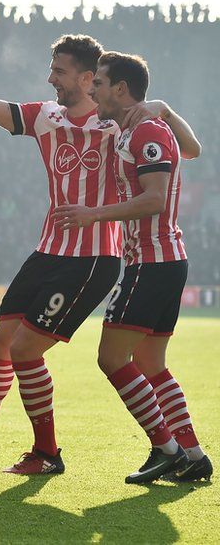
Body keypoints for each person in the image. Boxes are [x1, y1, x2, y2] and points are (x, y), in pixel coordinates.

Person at [0, 33, 201, 474]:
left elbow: (187, 148)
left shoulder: (119, 122)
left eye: (59, 71)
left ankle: (48, 453)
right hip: (48, 249)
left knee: (25, 350)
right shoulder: (45, 116)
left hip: (93, 257)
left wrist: (164, 107)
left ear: (89, 78)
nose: (50, 78)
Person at [53, 52, 210, 483]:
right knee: (151, 363)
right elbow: (193, 150)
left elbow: (155, 199)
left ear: (121, 89)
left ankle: (168, 448)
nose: (92, 91)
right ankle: (192, 454)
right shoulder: (136, 128)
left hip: (151, 264)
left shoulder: (145, 133)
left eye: (99, 84)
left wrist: (93, 214)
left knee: (111, 357)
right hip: (163, 262)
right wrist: (167, 110)